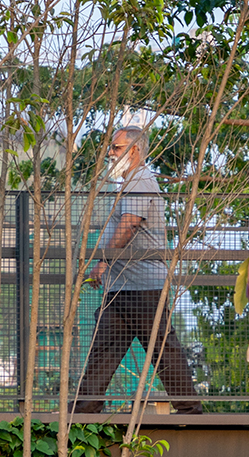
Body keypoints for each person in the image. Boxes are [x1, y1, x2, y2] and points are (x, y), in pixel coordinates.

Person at [72, 124, 201, 415]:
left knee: (161, 348)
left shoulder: (140, 180)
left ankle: (191, 409)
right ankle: (86, 406)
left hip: (142, 284)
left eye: (116, 148)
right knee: (105, 345)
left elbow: (129, 223)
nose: (110, 153)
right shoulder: (131, 181)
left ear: (135, 151)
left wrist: (104, 260)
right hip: (123, 284)